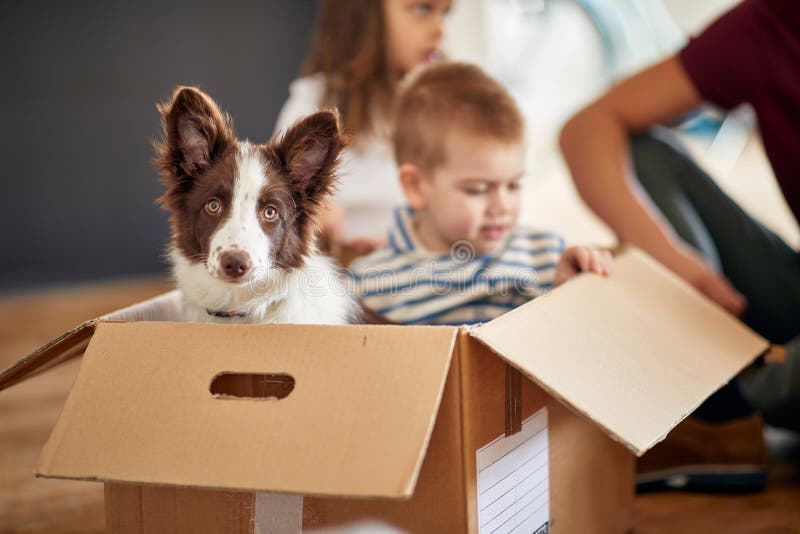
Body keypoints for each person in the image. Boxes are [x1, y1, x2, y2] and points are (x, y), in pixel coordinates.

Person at [560, 0, 800, 491]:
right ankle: (707, 398)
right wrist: (674, 260)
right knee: (641, 152)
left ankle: (729, 409)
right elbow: (587, 128)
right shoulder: (771, 22)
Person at [350, 62, 612, 325]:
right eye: (478, 189)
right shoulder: (368, 284)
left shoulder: (546, 257)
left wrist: (571, 288)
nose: (502, 206)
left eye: (513, 185)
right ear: (416, 187)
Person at [275, 0, 452, 257]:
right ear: (365, 16)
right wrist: (313, 215)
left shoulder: (441, 107)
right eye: (422, 9)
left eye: (445, 14)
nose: (440, 30)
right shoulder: (315, 102)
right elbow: (278, 201)